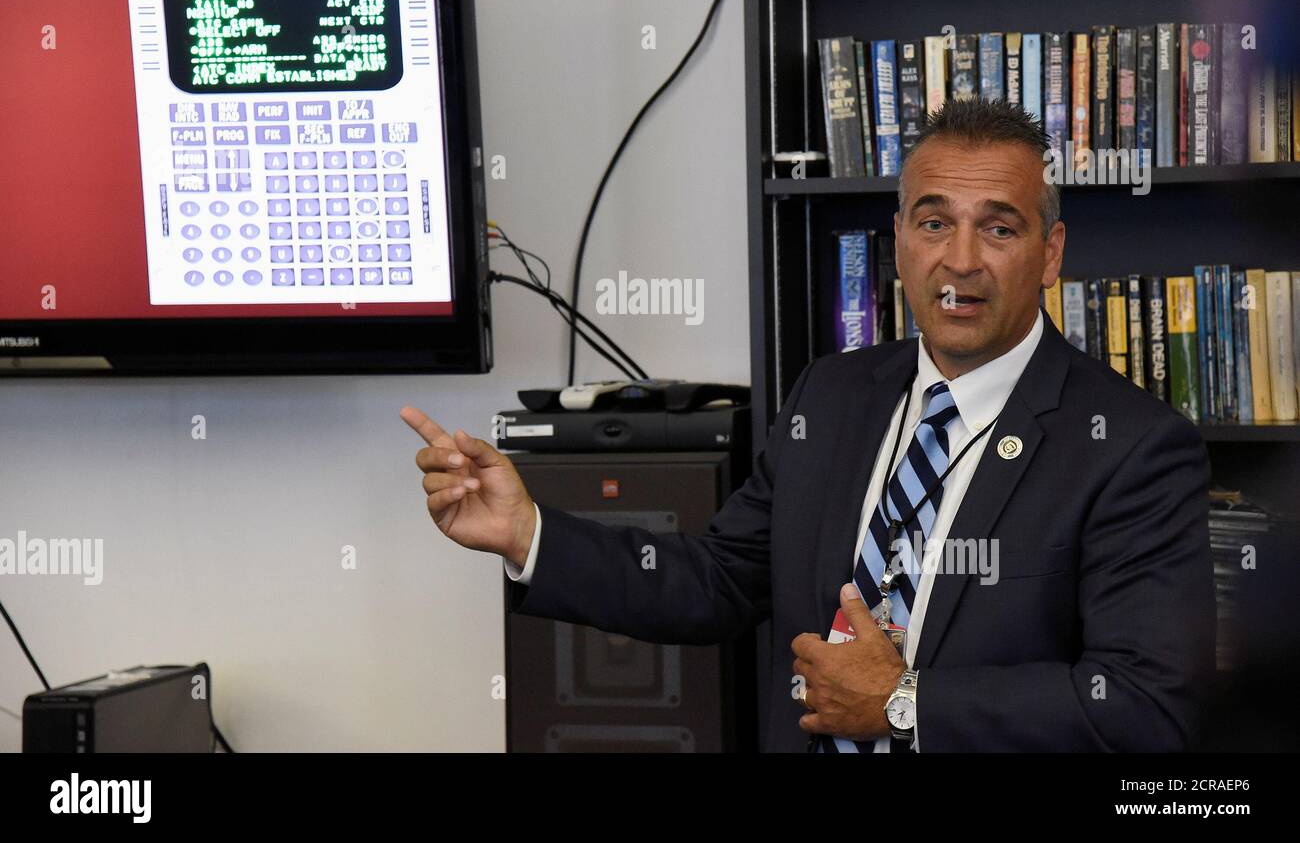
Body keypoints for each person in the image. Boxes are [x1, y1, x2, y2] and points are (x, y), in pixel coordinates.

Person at [401, 97, 1215, 753]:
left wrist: (904, 703)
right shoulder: (832, 396)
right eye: (933, 223)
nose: (961, 259)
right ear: (898, 242)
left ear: (1050, 251)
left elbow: (1145, 707)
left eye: (999, 227)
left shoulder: (1133, 447)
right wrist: (529, 533)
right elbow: (716, 577)